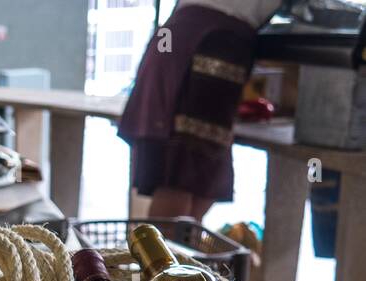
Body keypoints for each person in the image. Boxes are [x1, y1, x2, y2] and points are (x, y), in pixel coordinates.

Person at [118, 1, 282, 221]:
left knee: (198, 178)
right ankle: (165, 253)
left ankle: (177, 252)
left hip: (183, 35)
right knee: (180, 178)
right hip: (211, 43)